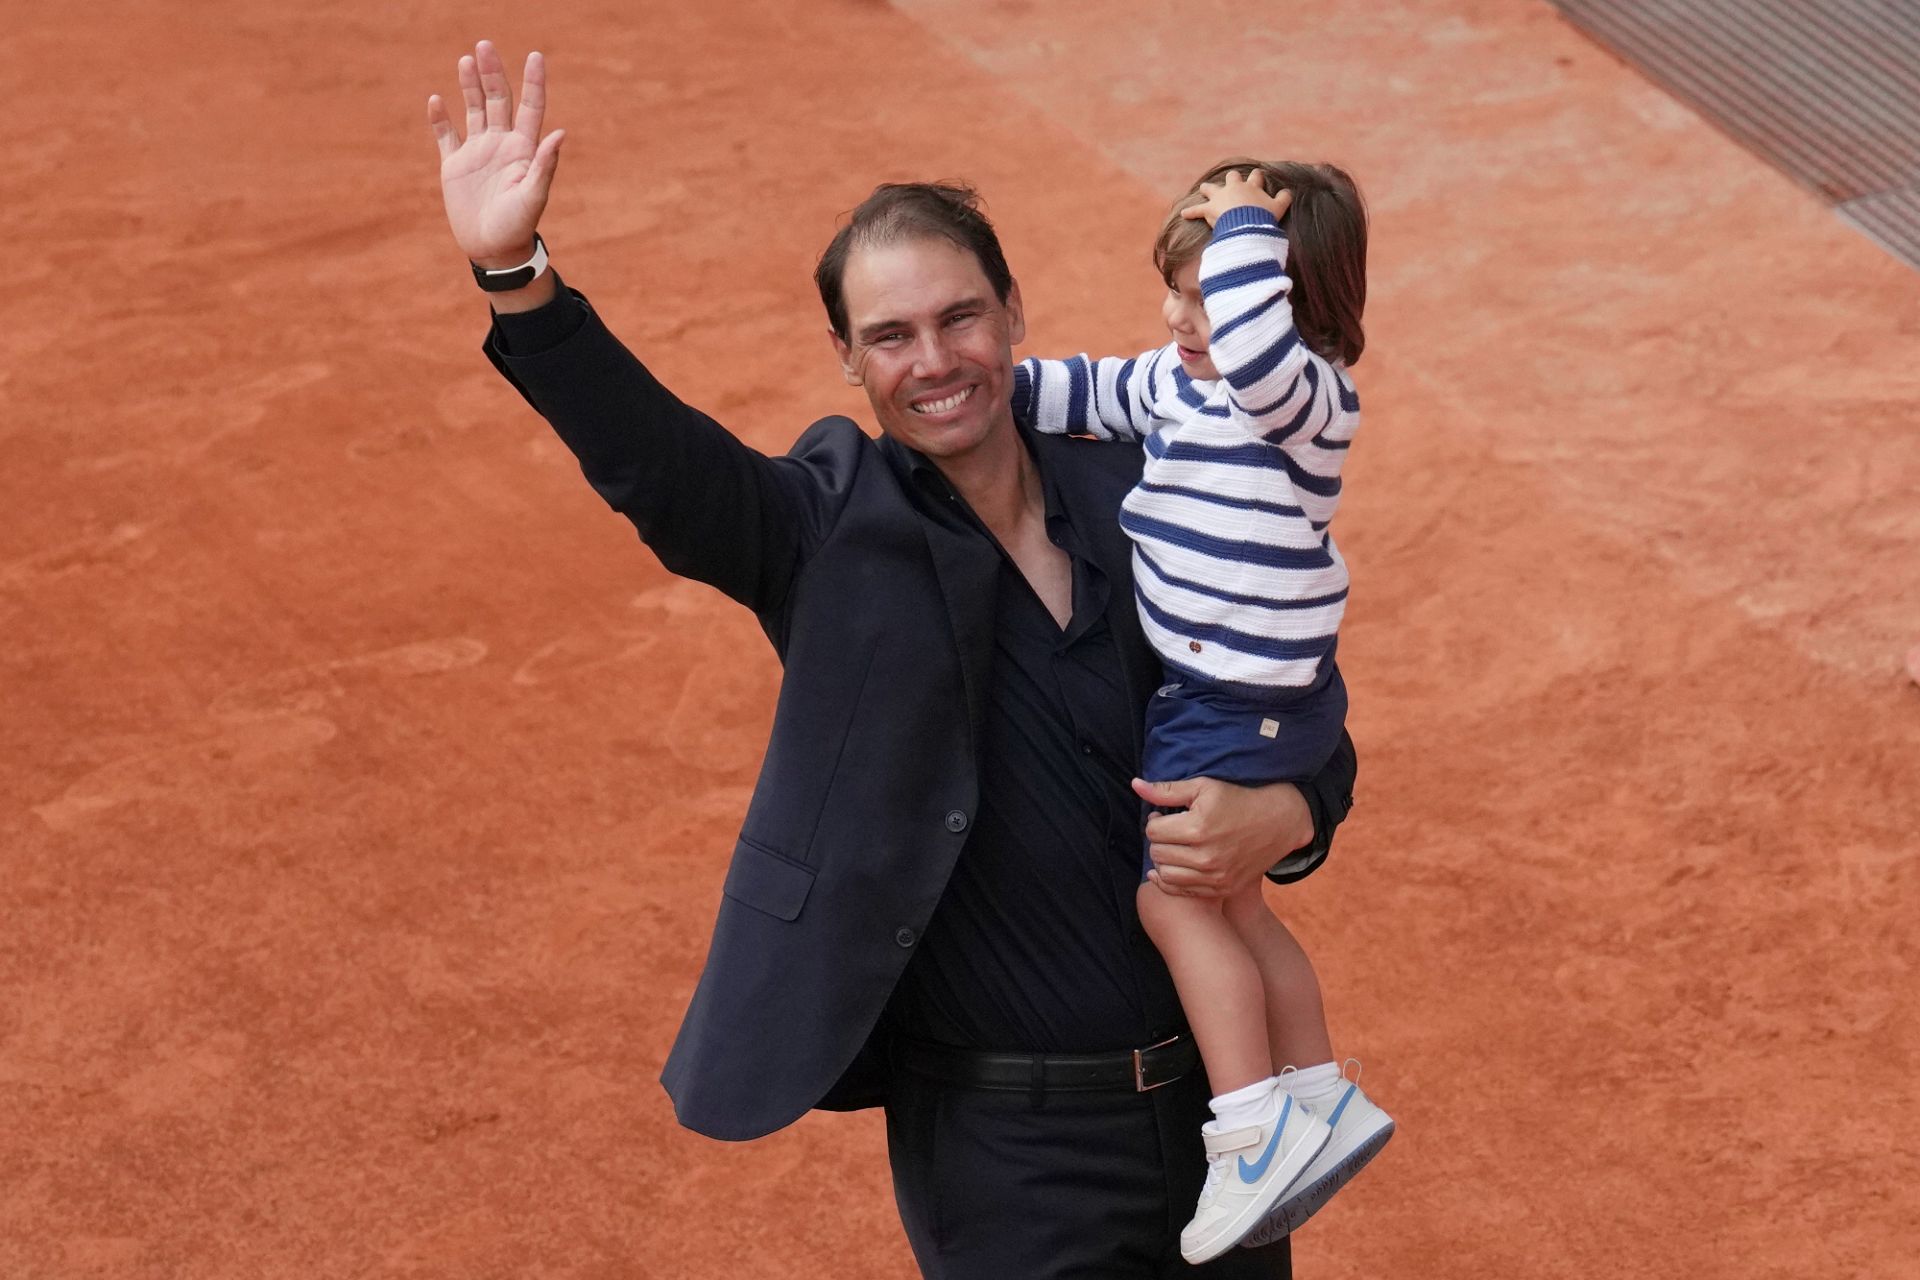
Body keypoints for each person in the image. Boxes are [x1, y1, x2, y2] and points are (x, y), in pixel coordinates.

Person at [425, 42, 1359, 1278]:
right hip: (1007, 1151)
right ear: (848, 360)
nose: (935, 361)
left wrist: (1289, 809)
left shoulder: (1145, 482)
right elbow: (662, 464)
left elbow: (1289, 687)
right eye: (892, 335)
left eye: (960, 316)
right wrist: (515, 273)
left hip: (1222, 1123)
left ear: (1014, 316)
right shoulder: (824, 528)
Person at [1013, 161, 1392, 1261]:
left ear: (1290, 302)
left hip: (1241, 697)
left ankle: (1254, 1127)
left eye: (1214, 294)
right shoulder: (1176, 382)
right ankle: (1319, 1093)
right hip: (1234, 694)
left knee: (1173, 903)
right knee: (1235, 906)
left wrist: (1239, 231)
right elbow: (1080, 390)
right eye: (1175, 291)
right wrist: (983, 383)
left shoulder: (1307, 400)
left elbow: (1262, 356)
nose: (1186, 319)